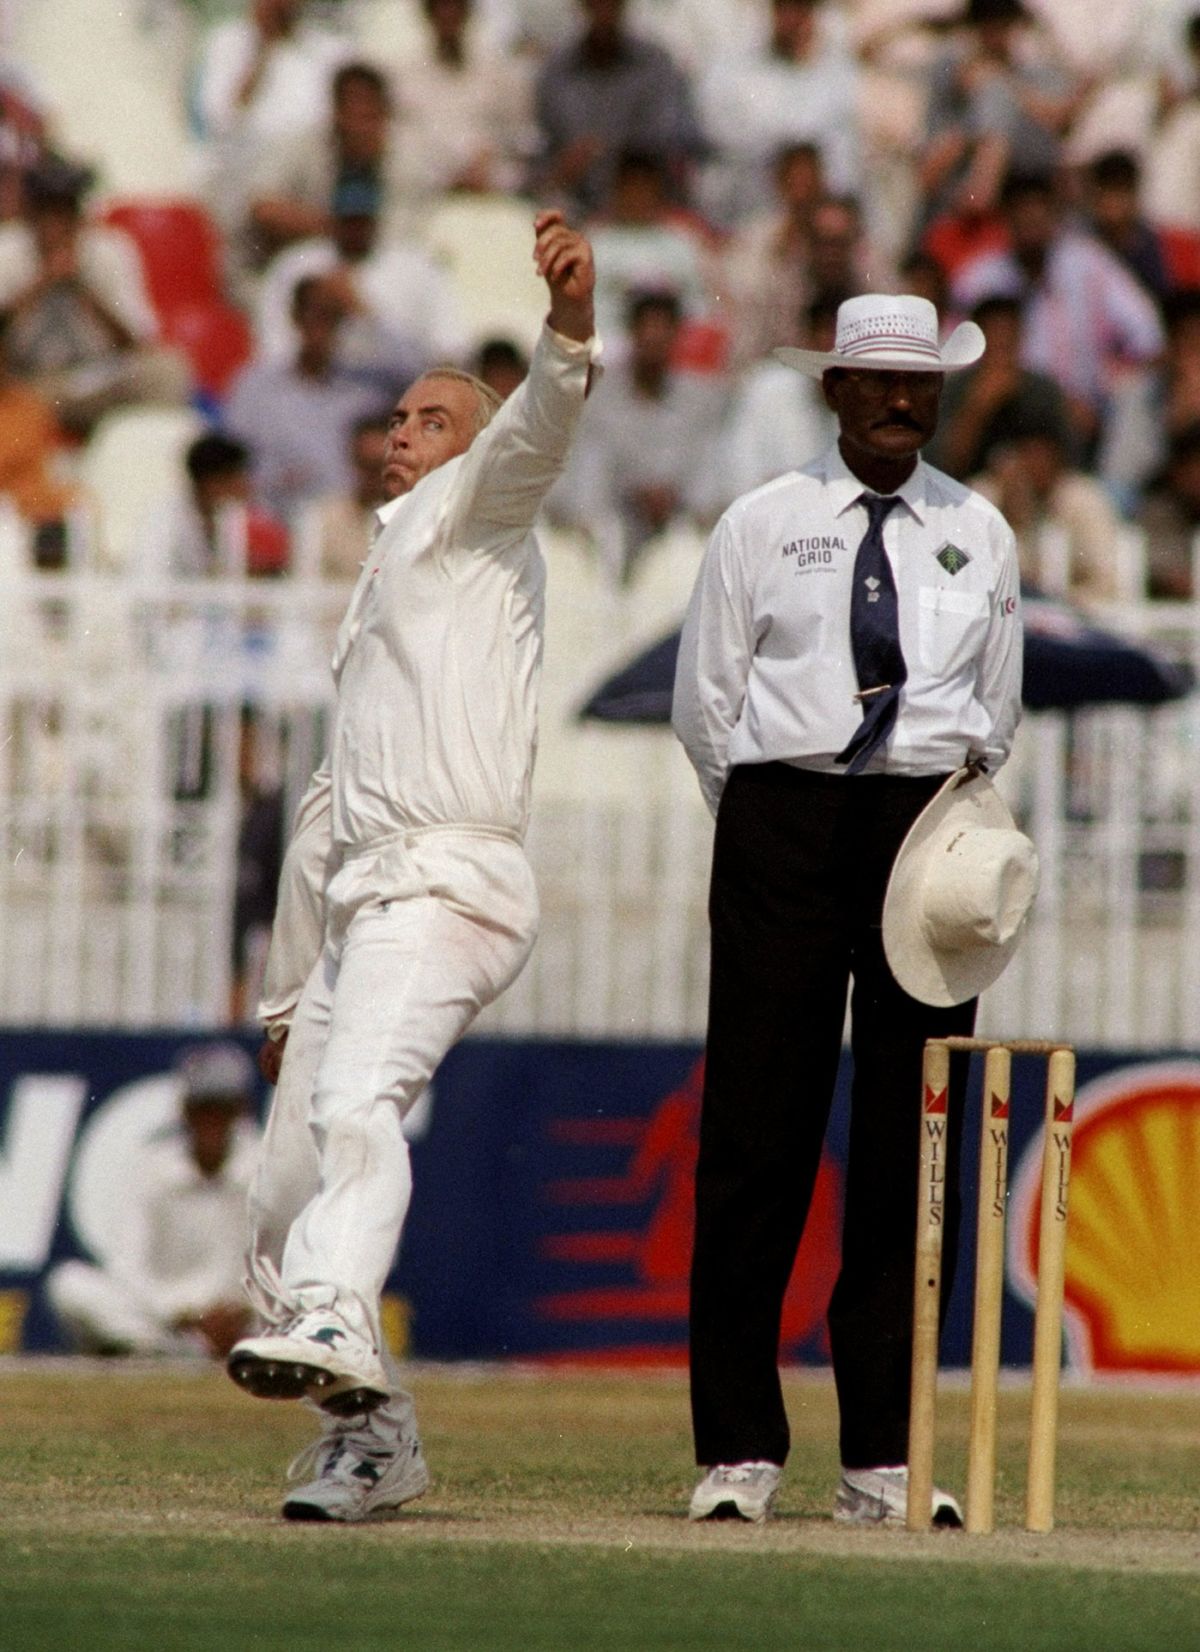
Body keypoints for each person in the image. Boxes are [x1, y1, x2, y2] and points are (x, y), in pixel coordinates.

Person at [225, 210, 598, 1523]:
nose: (402, 436)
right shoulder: (388, 572)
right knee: (275, 1201)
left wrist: (567, 331)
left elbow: (541, 429)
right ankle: (373, 1436)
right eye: (396, 422)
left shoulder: (478, 512)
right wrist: (282, 997)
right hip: (363, 901)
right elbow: (330, 803)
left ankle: (337, 1309)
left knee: (355, 1112)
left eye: (431, 420)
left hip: (450, 882)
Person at [672, 292, 1023, 1525]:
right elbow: (706, 708)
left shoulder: (977, 530)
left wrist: (920, 819)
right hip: (784, 815)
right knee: (757, 1137)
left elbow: (996, 707)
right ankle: (738, 1449)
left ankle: (882, 1453)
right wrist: (784, 810)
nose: (899, 401)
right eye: (874, 380)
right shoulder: (762, 522)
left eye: (918, 383)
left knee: (908, 1146)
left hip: (924, 830)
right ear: (831, 390)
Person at [45, 1043, 259, 1359]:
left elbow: (279, 1264)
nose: (212, 1121)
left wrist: (240, 1312)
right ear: (186, 1110)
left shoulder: (262, 1167)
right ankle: (176, 1350)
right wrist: (183, 1315)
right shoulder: (153, 1168)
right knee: (69, 1284)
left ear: (240, 1110)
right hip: (169, 1321)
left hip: (243, 1323)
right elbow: (126, 1265)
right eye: (204, 1109)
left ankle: (174, 1352)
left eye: (222, 1109)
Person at [0, 156, 190, 436]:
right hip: (36, 383)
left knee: (168, 369)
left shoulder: (110, 249)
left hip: (102, 376)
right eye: (48, 214)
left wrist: (83, 289)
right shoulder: (8, 252)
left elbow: (137, 340)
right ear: (32, 215)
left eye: (65, 214)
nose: (56, 226)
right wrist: (41, 283)